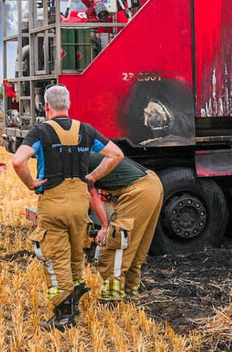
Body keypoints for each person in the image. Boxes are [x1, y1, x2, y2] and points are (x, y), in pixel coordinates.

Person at [11, 84, 123, 331]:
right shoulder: (86, 130)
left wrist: (31, 183)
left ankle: (63, 314)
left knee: (55, 258)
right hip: (80, 202)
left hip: (54, 202)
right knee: (75, 254)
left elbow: (18, 160)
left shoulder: (40, 131)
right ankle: (75, 304)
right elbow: (116, 155)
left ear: (46, 106)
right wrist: (91, 177)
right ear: (68, 105)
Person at [86, 152, 163, 302]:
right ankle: (130, 295)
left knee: (116, 246)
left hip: (138, 190)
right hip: (152, 184)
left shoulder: (75, 161)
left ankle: (111, 299)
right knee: (133, 248)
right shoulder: (86, 151)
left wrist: (104, 226)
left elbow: (92, 196)